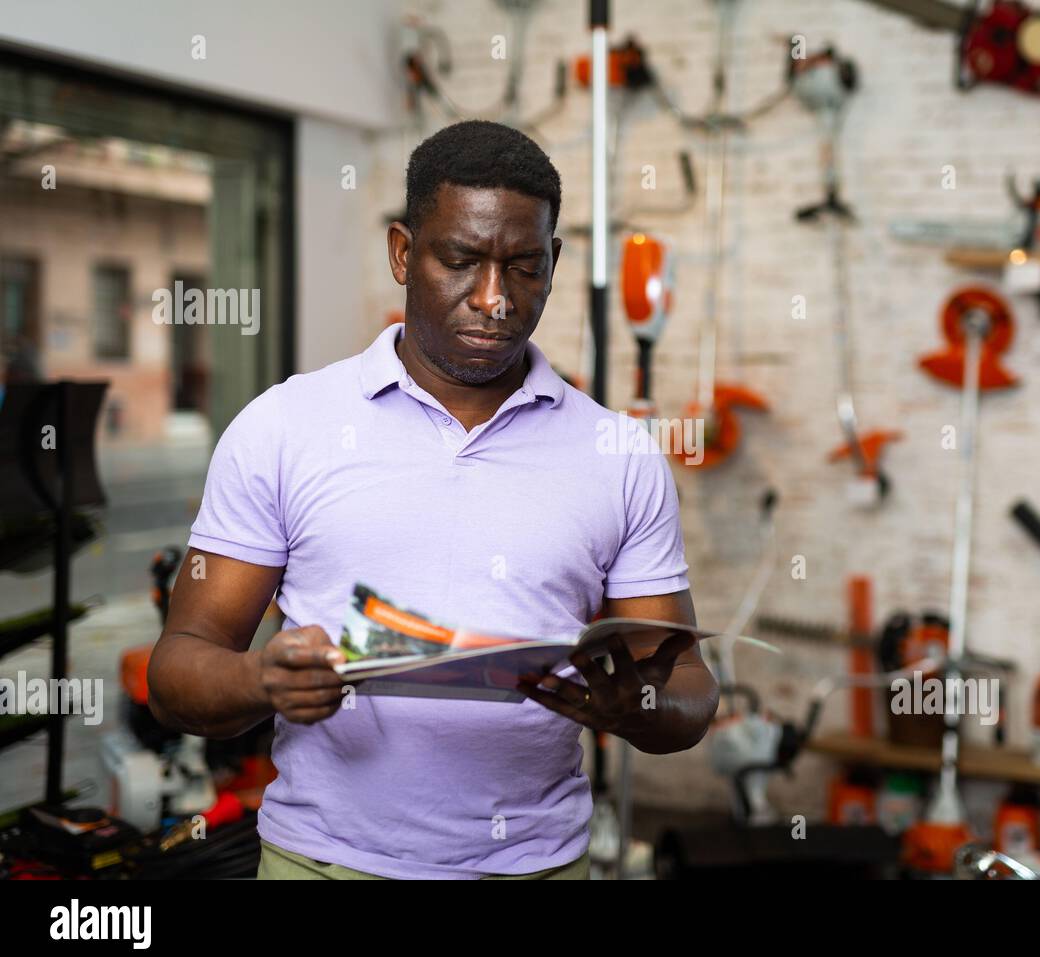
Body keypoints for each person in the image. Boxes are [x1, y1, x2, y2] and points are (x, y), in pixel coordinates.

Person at [147, 120, 718, 880]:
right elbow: (176, 670)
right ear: (403, 253)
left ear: (554, 262)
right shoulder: (285, 427)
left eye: (523, 266)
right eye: (461, 260)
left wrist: (637, 709)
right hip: (323, 864)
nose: (494, 299)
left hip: (538, 865)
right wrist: (262, 680)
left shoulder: (619, 457)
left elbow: (689, 689)